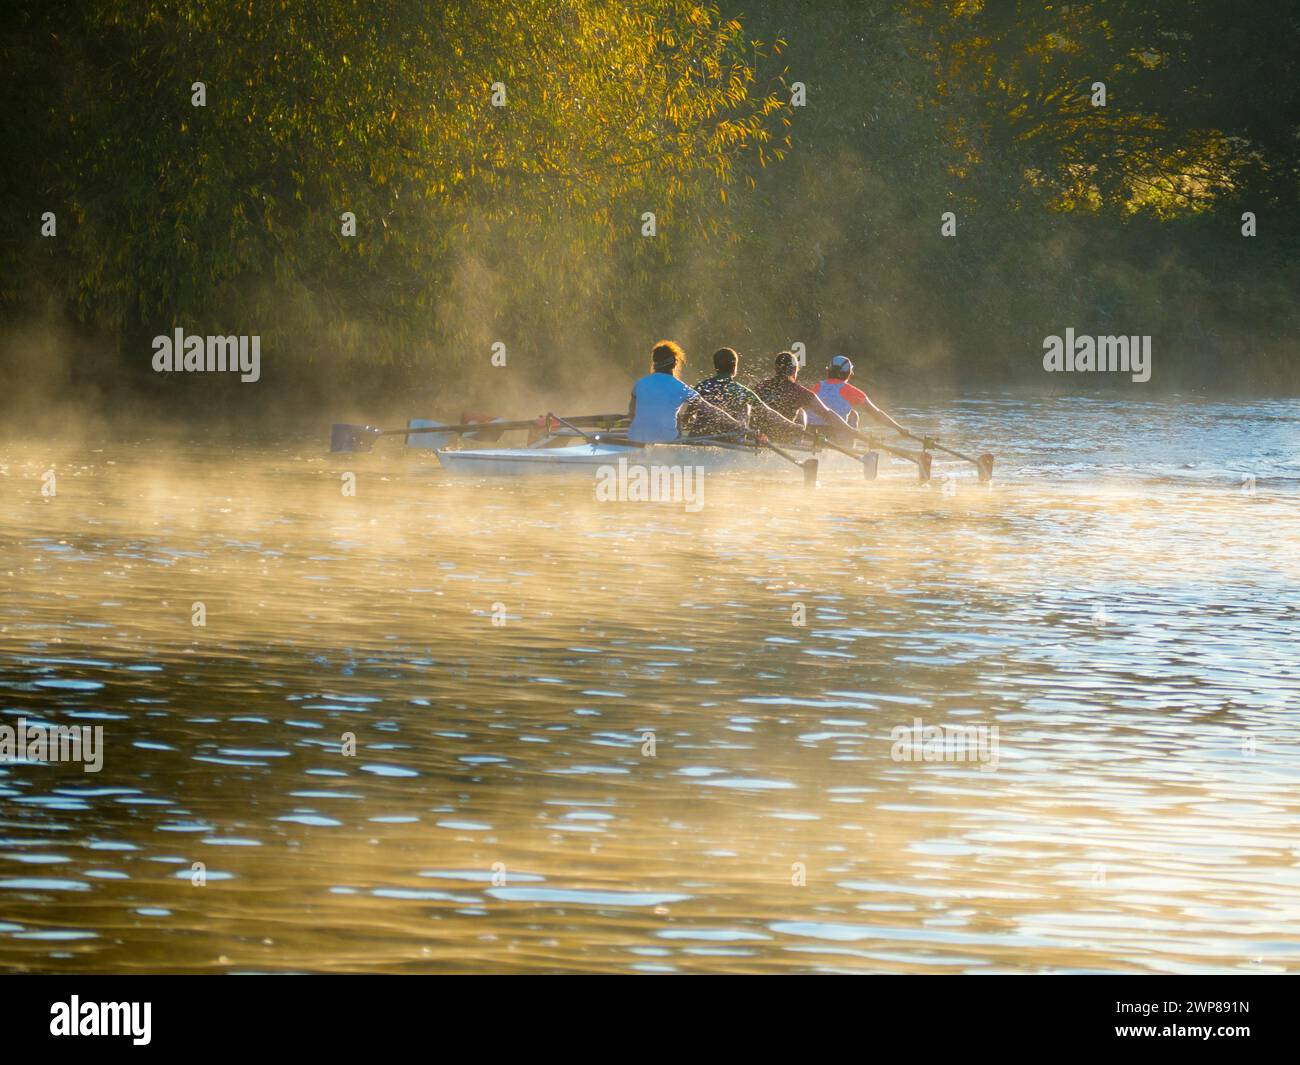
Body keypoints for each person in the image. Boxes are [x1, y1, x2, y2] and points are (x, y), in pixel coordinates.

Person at [626, 341, 747, 443]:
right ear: (675, 363)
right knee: (677, 419)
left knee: (675, 416)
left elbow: (631, 414)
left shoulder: (639, 384)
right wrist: (736, 424)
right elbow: (711, 410)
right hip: (666, 442)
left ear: (655, 364)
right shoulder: (681, 388)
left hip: (635, 439)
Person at [687, 348, 806, 438]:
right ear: (734, 368)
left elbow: (688, 416)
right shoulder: (741, 391)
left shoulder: (701, 386)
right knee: (746, 406)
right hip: (727, 440)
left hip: (698, 437)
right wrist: (793, 426)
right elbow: (768, 412)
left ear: (715, 366)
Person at [806, 355, 912, 437]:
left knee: (851, 413)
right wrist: (900, 429)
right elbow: (877, 414)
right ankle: (848, 447)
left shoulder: (816, 387)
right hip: (834, 433)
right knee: (854, 415)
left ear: (828, 371)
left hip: (811, 432)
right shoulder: (851, 391)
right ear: (848, 374)